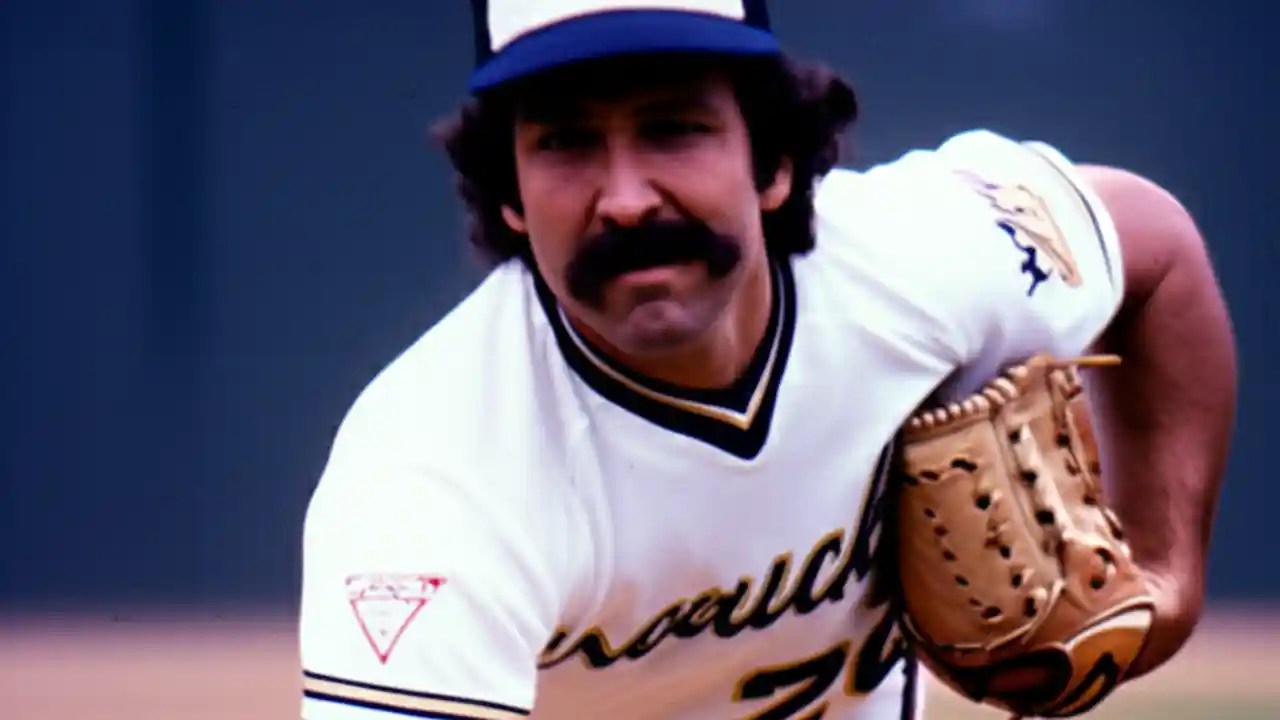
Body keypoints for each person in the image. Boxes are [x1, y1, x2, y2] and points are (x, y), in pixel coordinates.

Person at [297, 2, 1237, 718]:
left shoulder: (911, 265)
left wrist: (1169, 578)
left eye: (673, 128)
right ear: (508, 195)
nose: (625, 198)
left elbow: (1153, 248)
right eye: (566, 143)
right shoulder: (434, 473)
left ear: (776, 161)